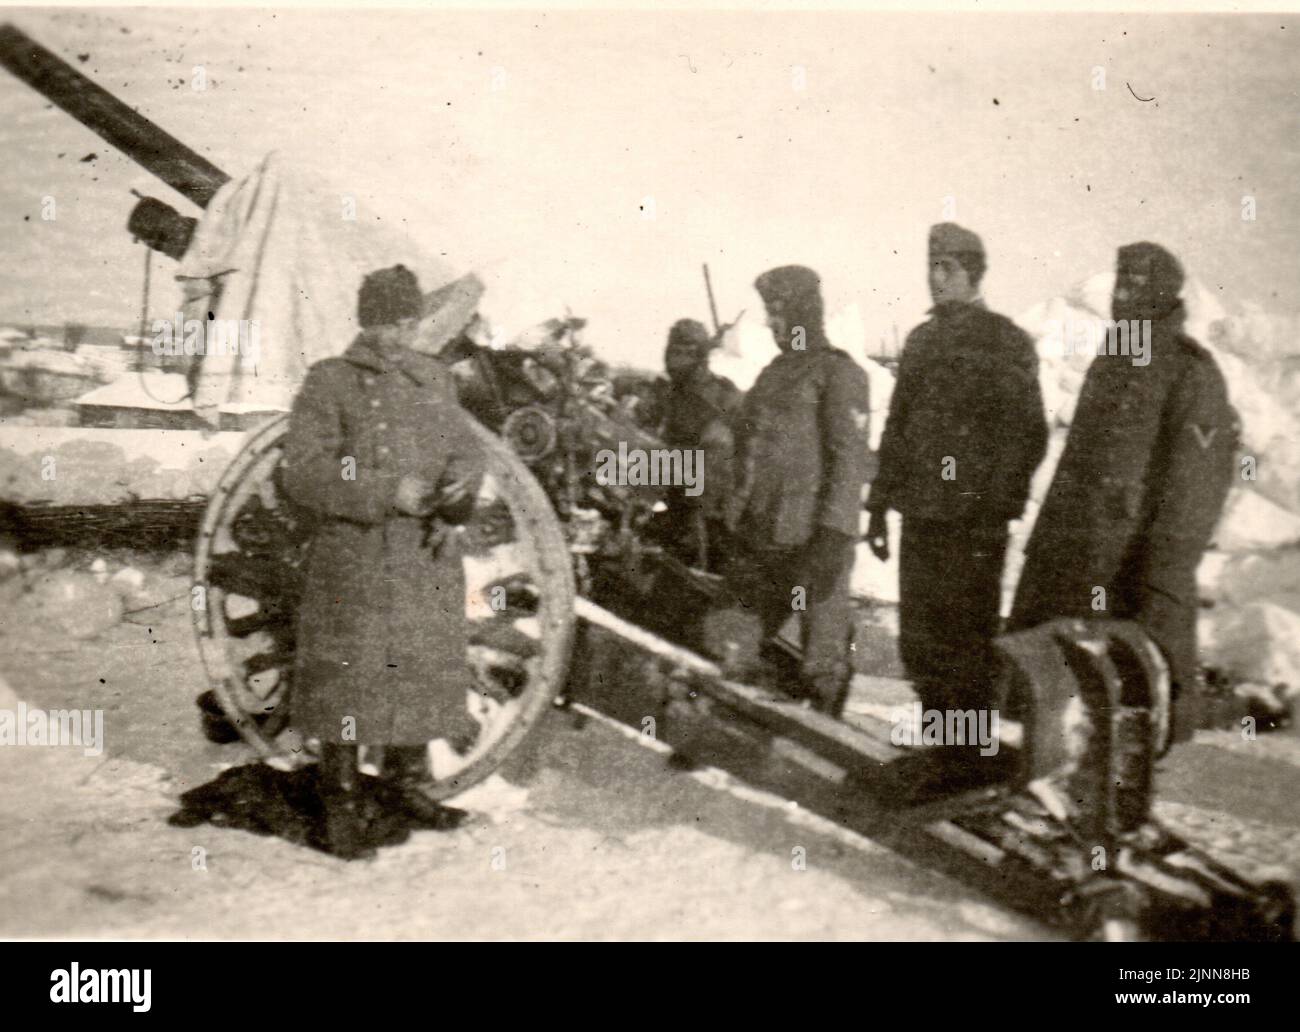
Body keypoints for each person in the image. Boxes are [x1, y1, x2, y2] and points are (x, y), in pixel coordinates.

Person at [279, 264, 486, 858]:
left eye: (407, 321)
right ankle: (340, 802)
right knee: (350, 677)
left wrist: (456, 507)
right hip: (358, 556)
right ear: (365, 323)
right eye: (387, 323)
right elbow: (306, 470)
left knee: (421, 667)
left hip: (424, 556)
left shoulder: (434, 379)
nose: (399, 334)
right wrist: (385, 491)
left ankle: (407, 787)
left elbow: (466, 452)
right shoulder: (330, 382)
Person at [1009, 242, 1239, 747]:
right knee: (1058, 680)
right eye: (1121, 283)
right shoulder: (1111, 361)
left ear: (1162, 295)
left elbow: (1195, 482)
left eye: (1137, 285)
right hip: (1073, 553)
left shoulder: (1190, 372)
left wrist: (1165, 568)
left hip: (1126, 563)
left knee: (1125, 693)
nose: (1123, 295)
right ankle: (1047, 785)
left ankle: (1115, 806)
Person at [865, 223, 1047, 783]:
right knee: (921, 640)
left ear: (975, 273)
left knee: (964, 640)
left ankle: (972, 757)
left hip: (972, 523)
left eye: (948, 268)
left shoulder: (1005, 340)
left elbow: (1028, 433)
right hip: (922, 514)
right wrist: (878, 506)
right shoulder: (921, 342)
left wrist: (992, 503)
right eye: (931, 266)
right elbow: (897, 430)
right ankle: (946, 752)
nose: (936, 278)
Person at [712, 265, 871, 717]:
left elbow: (849, 460)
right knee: (729, 638)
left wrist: (835, 535)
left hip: (813, 541)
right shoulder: (773, 373)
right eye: (769, 313)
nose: (772, 324)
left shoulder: (838, 374)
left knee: (823, 660)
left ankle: (826, 749)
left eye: (778, 313)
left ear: (804, 312)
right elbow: (747, 444)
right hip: (762, 536)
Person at [643, 318, 741, 570]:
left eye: (680, 352)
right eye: (671, 350)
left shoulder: (724, 398)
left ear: (699, 355)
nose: (671, 359)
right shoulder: (664, 393)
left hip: (707, 517)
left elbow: (714, 466)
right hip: (668, 500)